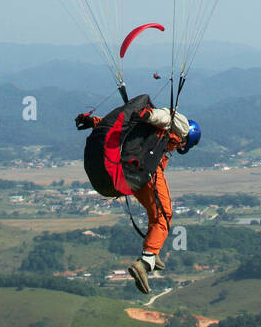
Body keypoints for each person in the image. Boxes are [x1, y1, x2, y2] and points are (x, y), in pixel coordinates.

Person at [76, 103, 201, 294]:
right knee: (164, 216)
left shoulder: (147, 132)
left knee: (155, 215)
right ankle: (145, 262)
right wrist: (150, 116)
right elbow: (160, 121)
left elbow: (120, 128)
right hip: (146, 173)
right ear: (186, 139)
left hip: (132, 176)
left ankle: (153, 252)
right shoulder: (170, 134)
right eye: (183, 145)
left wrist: (94, 122)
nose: (178, 148)